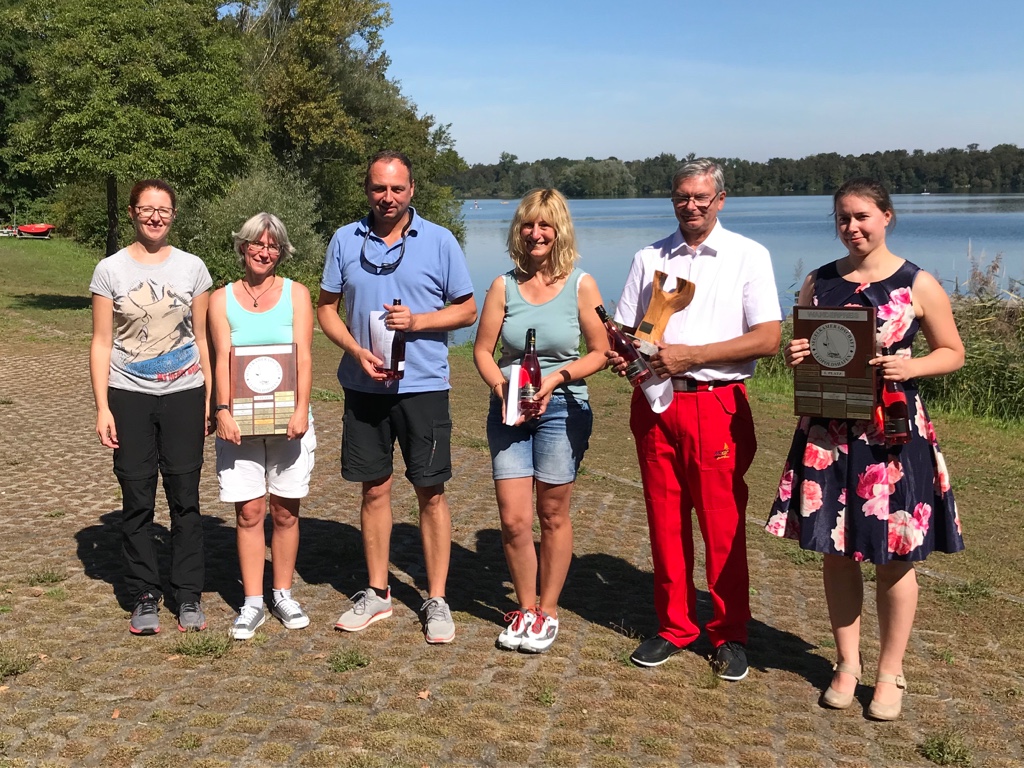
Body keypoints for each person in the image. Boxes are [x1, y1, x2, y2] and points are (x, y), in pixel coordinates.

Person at [766, 178, 965, 720]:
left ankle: (890, 672)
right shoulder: (818, 281)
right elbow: (805, 349)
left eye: (862, 217)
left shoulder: (918, 283)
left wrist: (912, 365)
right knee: (837, 549)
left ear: (886, 217)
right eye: (842, 218)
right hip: (829, 433)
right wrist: (798, 354)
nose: (852, 227)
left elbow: (953, 352)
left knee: (894, 557)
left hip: (892, 435)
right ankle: (847, 663)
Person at [608, 159, 782, 680]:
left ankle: (730, 634)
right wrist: (623, 352)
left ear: (720, 200)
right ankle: (675, 625)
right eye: (682, 196)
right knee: (665, 521)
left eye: (701, 197)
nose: (691, 205)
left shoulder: (748, 256)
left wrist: (693, 354)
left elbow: (768, 338)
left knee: (721, 525)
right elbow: (628, 329)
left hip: (715, 402)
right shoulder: (649, 256)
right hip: (656, 400)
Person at [317, 150, 477, 644]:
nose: (387, 198)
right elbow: (326, 309)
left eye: (397, 189)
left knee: (430, 490)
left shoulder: (439, 240)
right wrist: (353, 348)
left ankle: (436, 599)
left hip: (423, 387)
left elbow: (468, 310)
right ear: (367, 190)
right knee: (374, 489)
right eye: (378, 188)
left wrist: (420, 321)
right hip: (364, 385)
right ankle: (377, 592)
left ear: (411, 191)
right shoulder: (345, 239)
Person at [473, 189, 609, 653]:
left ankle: (548, 611)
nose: (536, 233)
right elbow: (481, 351)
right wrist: (502, 389)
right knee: (514, 520)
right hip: (509, 413)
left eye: (546, 225)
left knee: (552, 514)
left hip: (562, 411)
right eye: (529, 225)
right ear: (519, 230)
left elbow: (601, 352)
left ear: (560, 230)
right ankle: (525, 608)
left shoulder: (581, 284)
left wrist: (555, 379)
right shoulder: (502, 285)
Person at [89, 179, 212, 635]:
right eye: (147, 209)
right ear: (133, 213)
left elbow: (202, 340)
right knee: (137, 498)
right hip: (128, 395)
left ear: (173, 214)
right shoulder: (111, 270)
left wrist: (210, 399)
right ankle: (144, 593)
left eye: (163, 209)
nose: (155, 216)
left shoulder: (193, 268)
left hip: (185, 392)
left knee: (186, 500)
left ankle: (188, 594)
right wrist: (103, 406)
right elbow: (102, 341)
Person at [208, 213, 316, 640]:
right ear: (242, 246)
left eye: (272, 245)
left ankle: (283, 592)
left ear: (281, 251)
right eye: (256, 243)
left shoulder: (298, 295)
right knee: (249, 511)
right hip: (239, 421)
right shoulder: (221, 299)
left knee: (285, 512)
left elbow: (303, 357)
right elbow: (220, 359)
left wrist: (301, 410)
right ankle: (252, 601)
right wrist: (221, 410)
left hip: (289, 418)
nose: (264, 251)